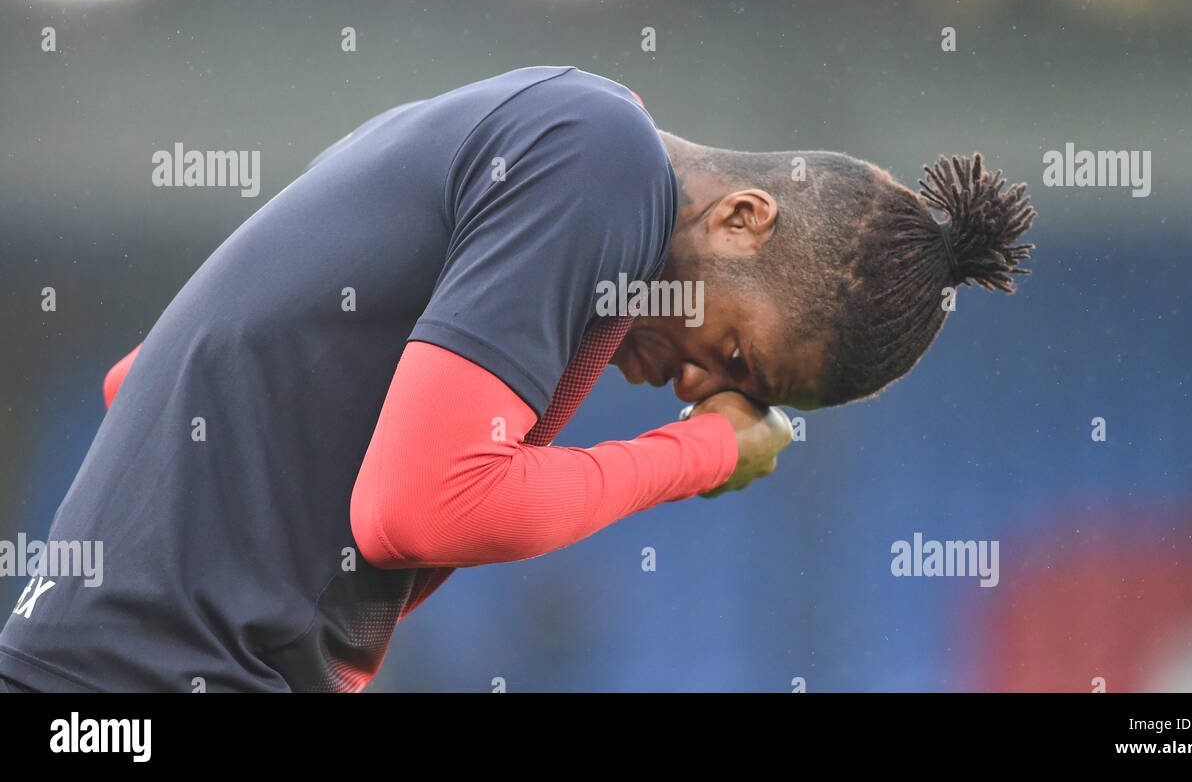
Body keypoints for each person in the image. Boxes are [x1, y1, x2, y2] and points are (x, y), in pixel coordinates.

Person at [0, 66, 1034, 692]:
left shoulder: (548, 141)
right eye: (735, 359)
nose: (698, 387)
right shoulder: (601, 160)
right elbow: (422, 504)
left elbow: (142, 380)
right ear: (742, 218)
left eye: (738, 393)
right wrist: (703, 452)